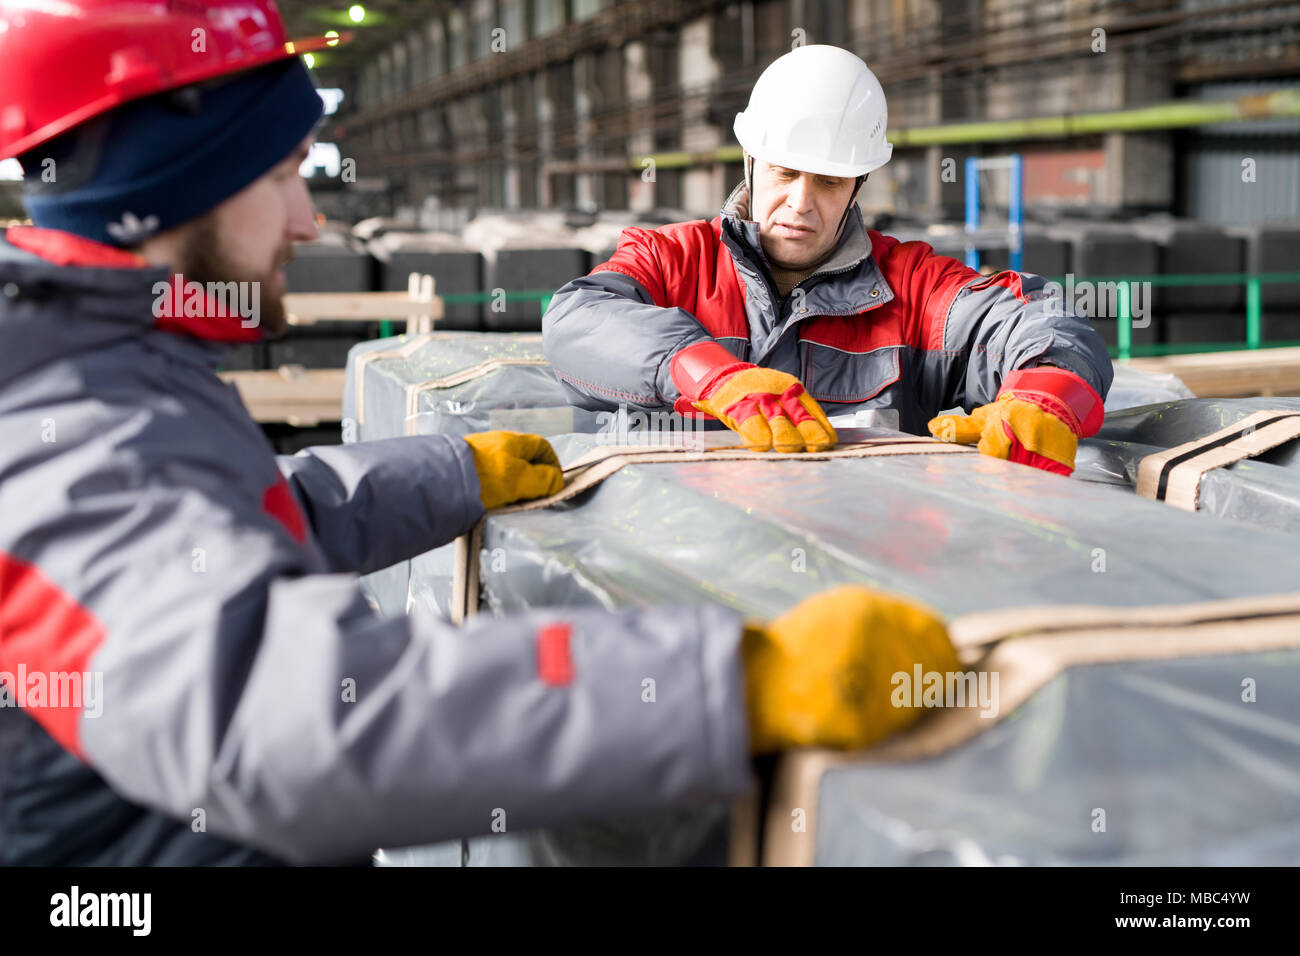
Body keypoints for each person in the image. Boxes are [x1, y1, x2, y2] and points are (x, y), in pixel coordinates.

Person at [0, 0, 959, 865]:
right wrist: (731, 683)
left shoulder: (111, 367)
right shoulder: (79, 422)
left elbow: (228, 530)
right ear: (185, 189)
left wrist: (452, 472)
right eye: (288, 175)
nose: (306, 220)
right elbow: (273, 715)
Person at [543, 44, 1112, 476]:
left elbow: (1038, 321)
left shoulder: (911, 289)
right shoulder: (671, 260)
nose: (799, 203)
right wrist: (707, 374)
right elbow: (576, 320)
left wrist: (1048, 393)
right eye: (784, 172)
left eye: (829, 181)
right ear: (750, 161)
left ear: (858, 184)